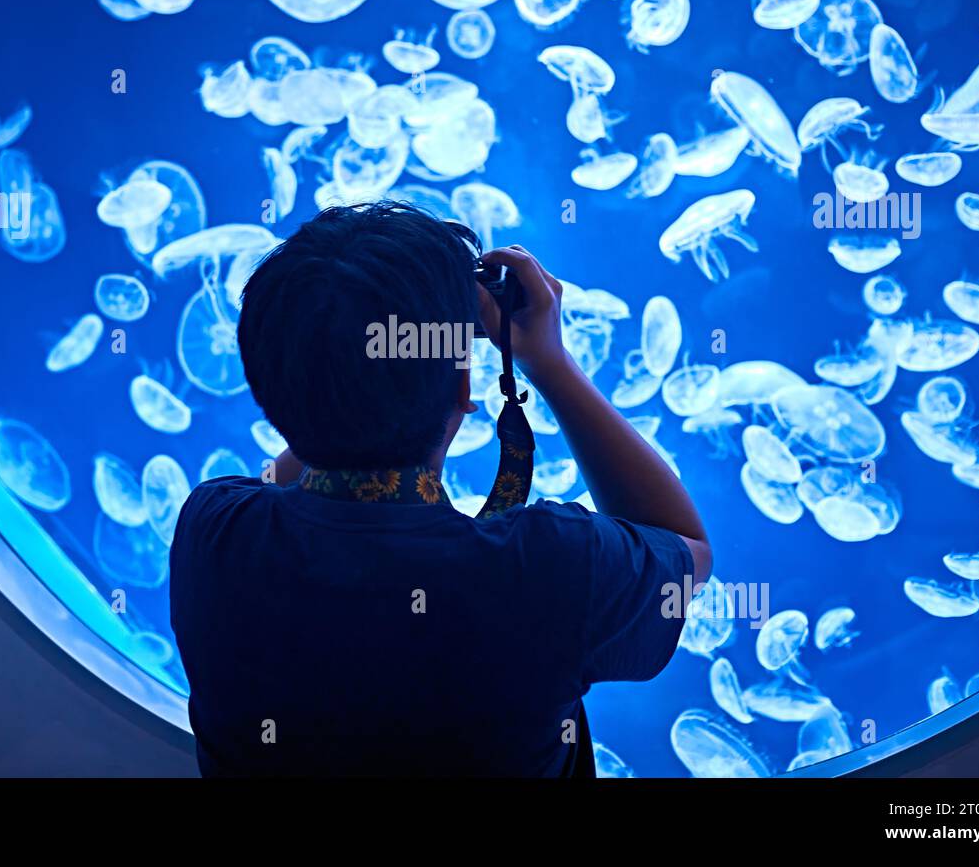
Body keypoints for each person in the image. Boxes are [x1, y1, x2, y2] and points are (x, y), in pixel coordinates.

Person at [169, 202, 711, 777]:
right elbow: (685, 550)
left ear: (263, 387)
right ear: (463, 385)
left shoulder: (214, 531)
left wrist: (334, 362)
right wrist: (546, 359)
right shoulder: (552, 568)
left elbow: (297, 457)